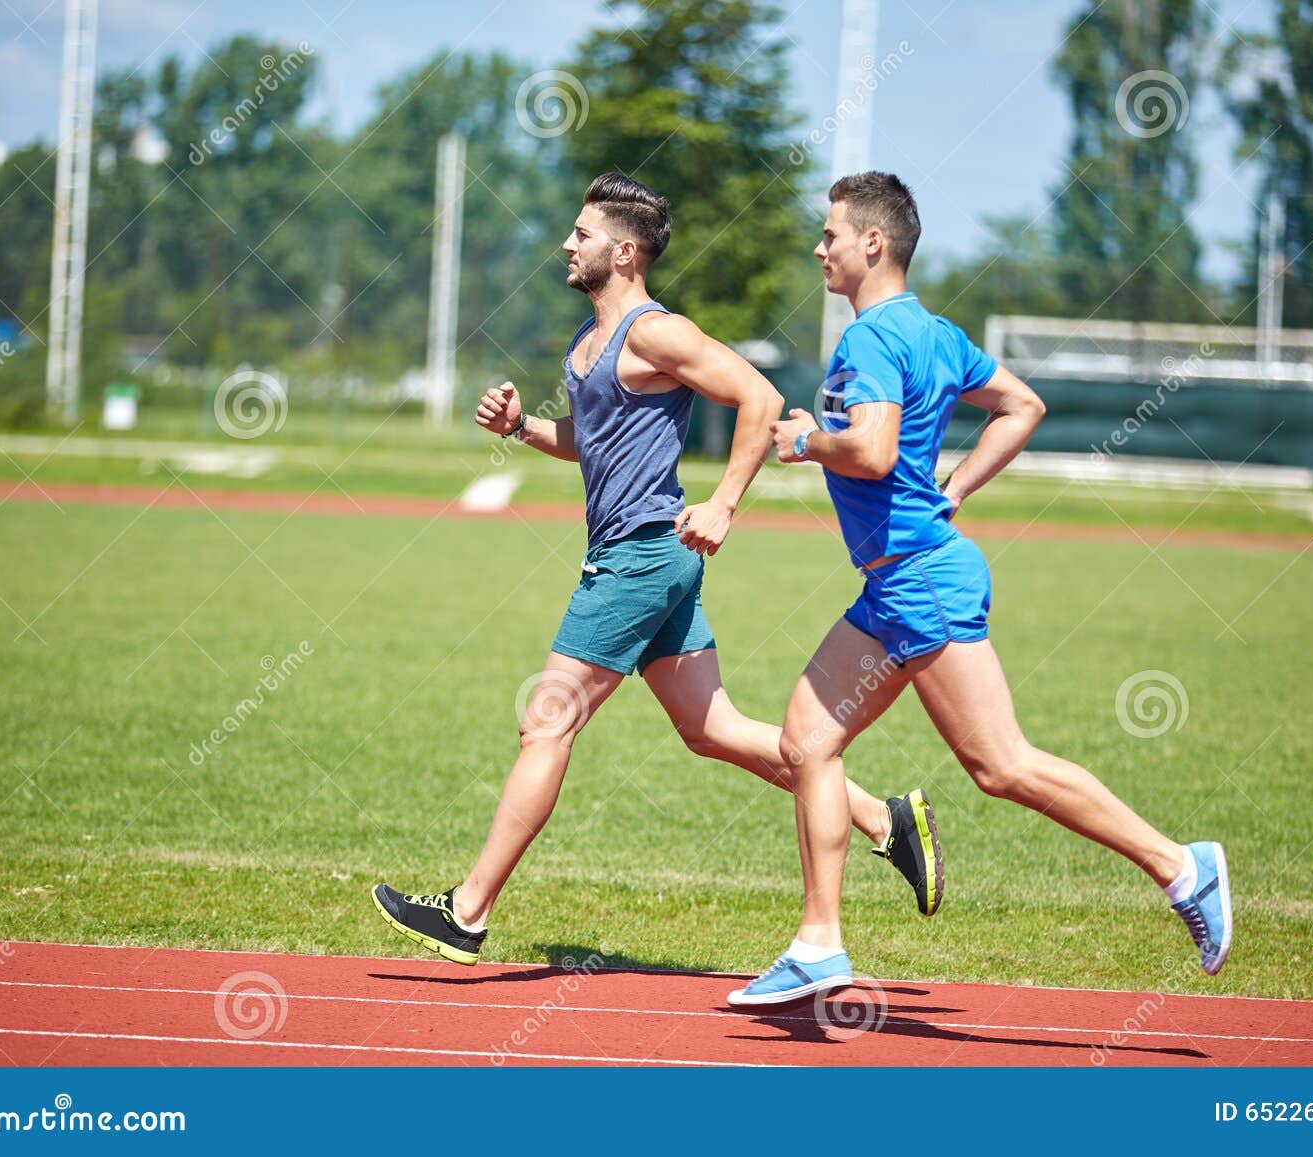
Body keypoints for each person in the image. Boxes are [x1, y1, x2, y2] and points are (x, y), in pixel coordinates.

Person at [373, 172, 944, 966]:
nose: (568, 244)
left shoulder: (656, 332)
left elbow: (758, 395)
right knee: (711, 728)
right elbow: (592, 439)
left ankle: (466, 911)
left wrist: (725, 504)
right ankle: (886, 823)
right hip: (643, 556)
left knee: (549, 718)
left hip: (643, 554)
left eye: (582, 234)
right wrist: (524, 426)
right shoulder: (590, 342)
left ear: (625, 250)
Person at [728, 171, 1231, 1006]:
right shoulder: (932, 331)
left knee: (1000, 765)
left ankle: (1182, 866)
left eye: (830, 234)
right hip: (901, 581)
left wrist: (808, 440)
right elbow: (1022, 405)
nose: (820, 248)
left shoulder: (872, 340)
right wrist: (953, 491)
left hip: (919, 578)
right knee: (808, 743)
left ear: (873, 243)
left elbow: (877, 451)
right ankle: (819, 944)